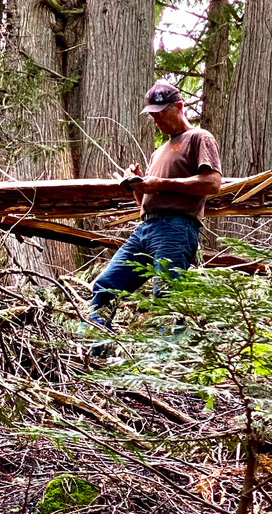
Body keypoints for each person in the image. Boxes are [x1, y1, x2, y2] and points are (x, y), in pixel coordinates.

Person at [86, 81, 222, 346]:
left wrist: (159, 183)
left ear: (179, 107)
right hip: (146, 228)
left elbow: (212, 183)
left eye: (161, 112)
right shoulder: (157, 152)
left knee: (166, 295)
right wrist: (137, 184)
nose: (156, 119)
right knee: (105, 285)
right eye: (152, 114)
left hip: (176, 227)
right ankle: (91, 349)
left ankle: (165, 367)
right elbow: (146, 202)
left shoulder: (199, 138)